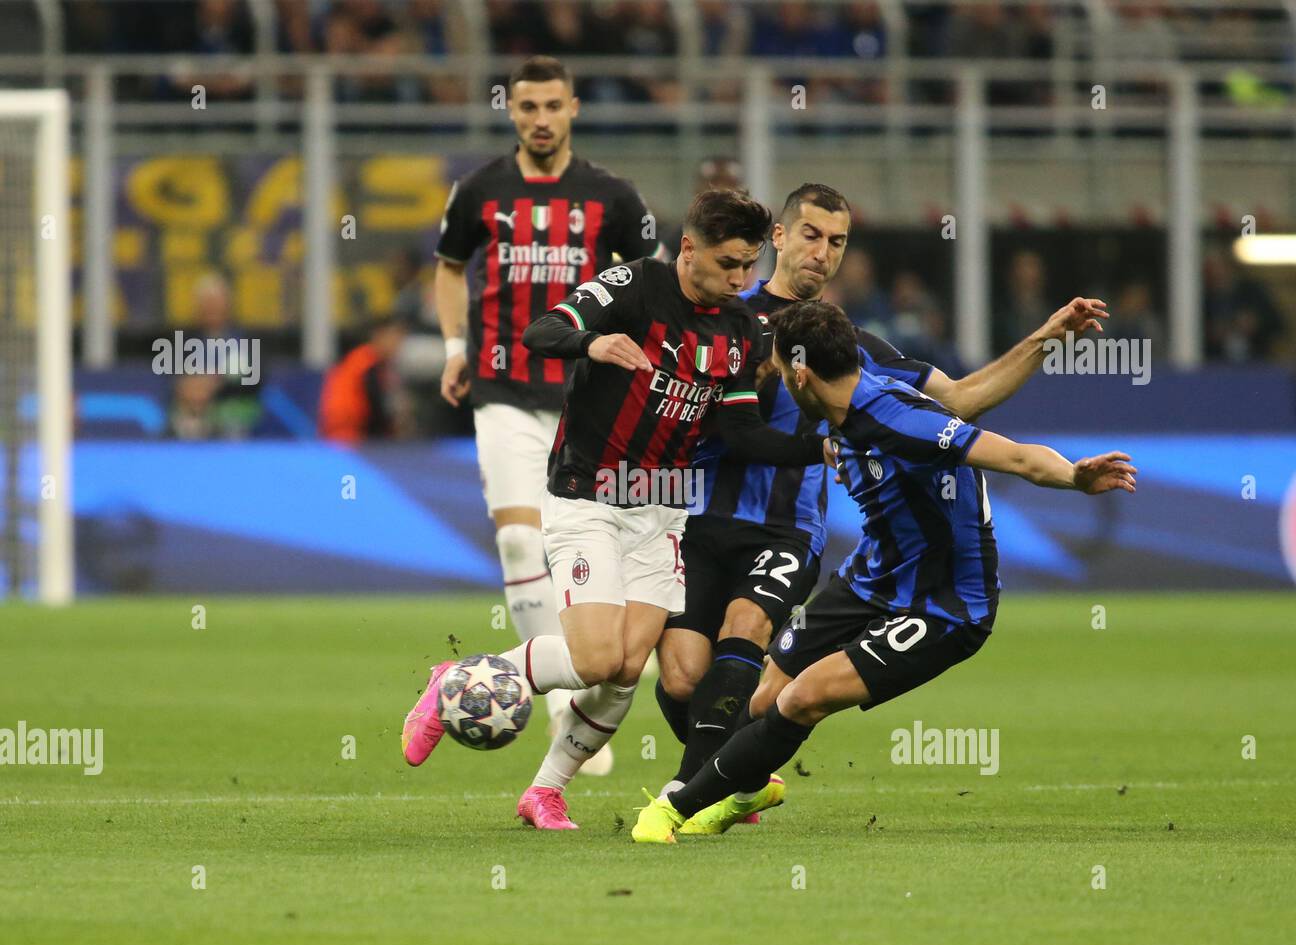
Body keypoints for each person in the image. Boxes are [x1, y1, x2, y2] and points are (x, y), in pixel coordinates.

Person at [654, 182, 1115, 816]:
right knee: (680, 678)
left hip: (787, 529)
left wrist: (1047, 337)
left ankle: (685, 799)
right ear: (779, 238)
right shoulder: (726, 312)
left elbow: (958, 404)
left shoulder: (846, 348)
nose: (823, 253)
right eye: (811, 235)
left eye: (838, 242)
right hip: (701, 516)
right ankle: (731, 778)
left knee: (755, 647)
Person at [404, 189, 830, 831]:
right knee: (598, 658)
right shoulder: (633, 286)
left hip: (663, 512)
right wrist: (593, 346)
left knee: (629, 668)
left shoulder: (739, 329)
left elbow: (740, 430)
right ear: (688, 249)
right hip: (589, 494)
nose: (741, 279)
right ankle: (456, 679)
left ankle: (545, 791)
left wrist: (818, 447)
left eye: (748, 265)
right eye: (728, 264)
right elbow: (541, 331)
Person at [432, 55, 666, 774]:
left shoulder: (613, 197)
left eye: (552, 106)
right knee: (515, 544)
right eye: (527, 107)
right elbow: (449, 265)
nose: (539, 119)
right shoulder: (480, 190)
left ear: (573, 109)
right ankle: (563, 704)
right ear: (511, 111)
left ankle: (593, 662)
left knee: (603, 543)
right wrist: (454, 346)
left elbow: (653, 278)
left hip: (591, 398)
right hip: (503, 386)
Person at [318, 317, 406, 443]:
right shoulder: (366, 362)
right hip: (349, 435)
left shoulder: (366, 359)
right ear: (379, 336)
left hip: (350, 433)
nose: (398, 344)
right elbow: (377, 406)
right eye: (395, 337)